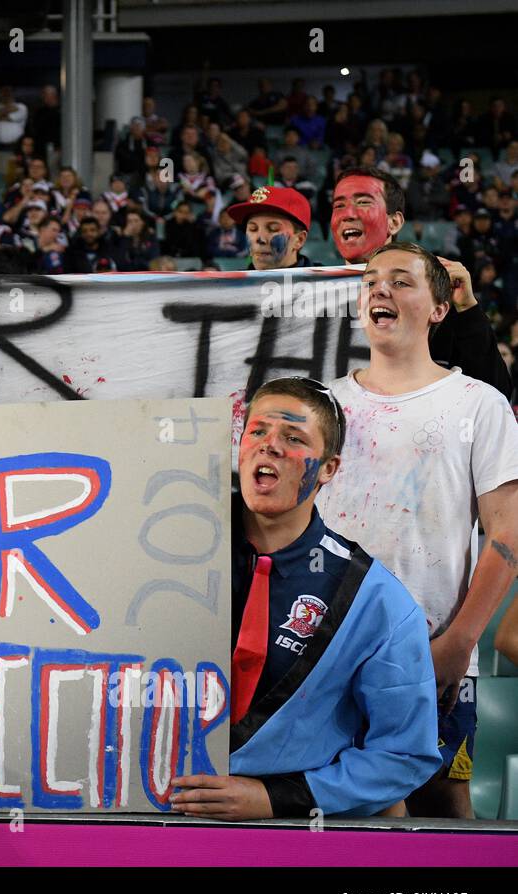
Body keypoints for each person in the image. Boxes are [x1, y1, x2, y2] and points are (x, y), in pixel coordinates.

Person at [172, 377, 438, 820]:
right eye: (257, 431)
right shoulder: (166, 553)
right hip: (144, 818)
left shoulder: (376, 600)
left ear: (329, 468)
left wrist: (275, 799)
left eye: (293, 438)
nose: (269, 446)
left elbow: (404, 755)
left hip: (293, 835)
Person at [316, 241, 518, 818]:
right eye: (371, 280)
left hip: (436, 651)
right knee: (352, 816)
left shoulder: (479, 404)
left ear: (438, 308)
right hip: (329, 654)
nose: (380, 288)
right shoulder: (323, 405)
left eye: (401, 281)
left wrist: (458, 646)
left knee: (446, 805)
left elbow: (509, 531)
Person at [331, 166, 511, 396]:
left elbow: (495, 392)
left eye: (364, 202)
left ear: (394, 222)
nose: (348, 214)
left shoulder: (434, 292)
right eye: (338, 205)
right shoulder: (303, 295)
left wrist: (467, 310)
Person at [225, 185, 316, 270]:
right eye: (253, 229)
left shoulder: (326, 285)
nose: (260, 239)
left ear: (299, 240)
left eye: (273, 229)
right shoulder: (232, 285)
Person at [0, 86, 28, 152]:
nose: (6, 93)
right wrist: (9, 110)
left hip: (15, 145)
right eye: (3, 91)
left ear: (13, 92)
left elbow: (10, 118)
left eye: (8, 91)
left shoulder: (21, 106)